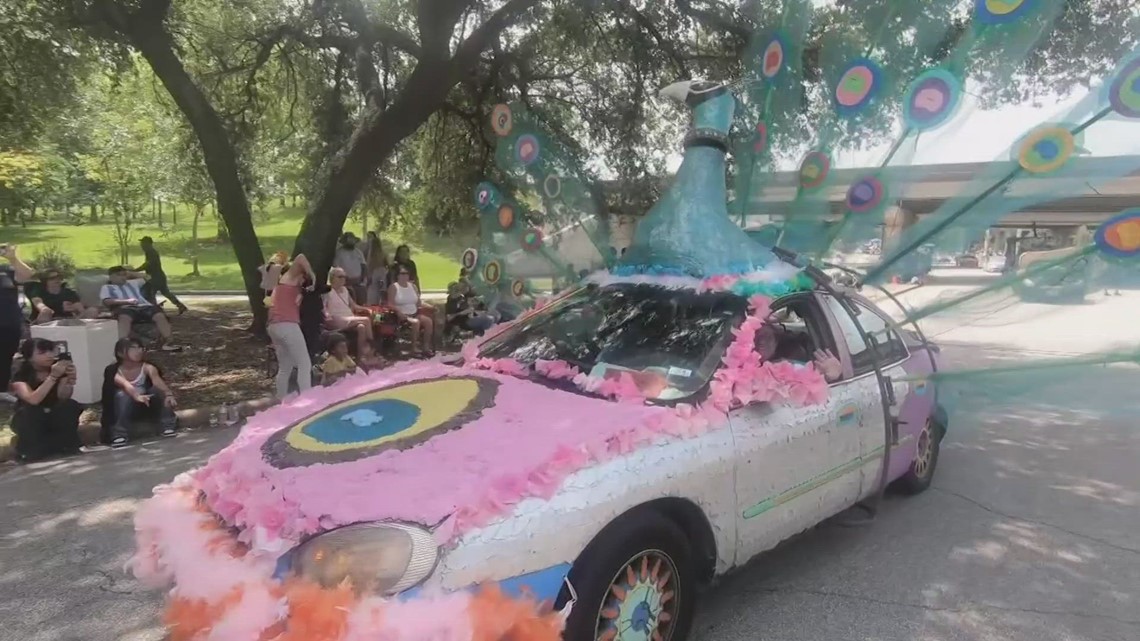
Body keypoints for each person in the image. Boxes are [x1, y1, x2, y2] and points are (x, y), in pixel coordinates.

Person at [9, 338, 83, 461]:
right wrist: (53, 377)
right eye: (42, 352)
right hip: (29, 416)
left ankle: (68, 446)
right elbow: (32, 399)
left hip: (53, 413)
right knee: (31, 412)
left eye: (51, 351)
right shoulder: (21, 374)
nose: (49, 355)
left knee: (70, 405)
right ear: (29, 357)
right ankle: (30, 452)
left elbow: (63, 397)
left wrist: (69, 380)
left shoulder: (57, 368)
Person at [105, 338, 178, 447]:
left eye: (140, 348)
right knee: (122, 395)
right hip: (126, 406)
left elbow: (157, 382)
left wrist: (168, 394)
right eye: (133, 348)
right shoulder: (113, 370)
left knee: (157, 391)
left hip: (148, 404)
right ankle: (119, 434)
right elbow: (125, 385)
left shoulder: (148, 367)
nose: (138, 351)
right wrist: (136, 396)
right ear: (120, 353)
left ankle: (168, 425)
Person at [268, 253, 316, 399]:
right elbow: (301, 257)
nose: (303, 280)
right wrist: (312, 275)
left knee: (285, 367)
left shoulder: (281, 286)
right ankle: (308, 402)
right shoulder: (289, 278)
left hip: (274, 327)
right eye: (303, 276)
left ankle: (280, 399)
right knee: (305, 364)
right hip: (287, 325)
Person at [99, 266, 181, 351]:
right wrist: (126, 301)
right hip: (125, 307)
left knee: (159, 315)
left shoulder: (133, 283)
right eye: (119, 275)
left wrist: (130, 273)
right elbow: (107, 301)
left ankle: (168, 343)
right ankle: (122, 344)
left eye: (124, 275)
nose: (123, 277)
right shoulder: (107, 287)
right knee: (124, 317)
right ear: (111, 277)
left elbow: (148, 277)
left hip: (144, 307)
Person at [755, 321, 842, 383]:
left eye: (768, 337)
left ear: (776, 342)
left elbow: (811, 378)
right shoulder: (742, 369)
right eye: (756, 337)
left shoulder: (786, 366)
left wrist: (829, 374)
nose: (761, 342)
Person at [0, 244, 33, 404]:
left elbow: (27, 274)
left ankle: (1, 389)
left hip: (9, 320)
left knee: (6, 355)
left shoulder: (6, 270)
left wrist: (13, 258)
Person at [323, 267, 377, 357]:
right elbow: (323, 307)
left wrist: (367, 309)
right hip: (335, 317)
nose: (343, 279)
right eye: (340, 277)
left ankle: (362, 356)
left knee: (361, 327)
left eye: (344, 277)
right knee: (366, 320)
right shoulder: (327, 291)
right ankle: (372, 350)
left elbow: (354, 306)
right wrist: (326, 316)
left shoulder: (345, 290)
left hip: (349, 317)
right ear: (332, 278)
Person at [387, 265, 435, 356]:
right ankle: (414, 348)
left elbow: (419, 303)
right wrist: (398, 311)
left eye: (407, 273)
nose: (405, 276)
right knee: (415, 322)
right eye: (402, 273)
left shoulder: (413, 286)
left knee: (428, 321)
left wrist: (431, 306)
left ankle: (426, 347)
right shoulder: (394, 287)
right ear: (397, 275)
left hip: (414, 313)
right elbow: (390, 304)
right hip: (401, 315)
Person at [137, 236, 188, 314]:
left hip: (155, 277)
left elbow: (147, 264)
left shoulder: (151, 252)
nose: (141, 245)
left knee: (150, 293)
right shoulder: (151, 252)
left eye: (143, 243)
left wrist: (135, 270)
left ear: (148, 244)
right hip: (159, 276)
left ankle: (154, 311)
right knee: (165, 293)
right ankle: (180, 306)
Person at [27, 269, 97, 323]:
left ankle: (78, 331)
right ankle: (44, 336)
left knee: (92, 310)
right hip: (47, 320)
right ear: (45, 281)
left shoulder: (68, 292)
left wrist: (73, 307)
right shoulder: (38, 290)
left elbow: (80, 308)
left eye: (59, 277)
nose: (57, 279)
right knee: (46, 312)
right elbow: (37, 302)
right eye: (52, 278)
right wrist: (44, 309)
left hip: (66, 321)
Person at [333, 232, 368, 302]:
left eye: (352, 240)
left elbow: (363, 265)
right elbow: (336, 268)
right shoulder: (339, 253)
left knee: (361, 302)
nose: (351, 242)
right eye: (349, 240)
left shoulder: (358, 252)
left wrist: (362, 278)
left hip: (358, 282)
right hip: (346, 283)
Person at [363, 232, 389, 305]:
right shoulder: (370, 253)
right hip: (379, 273)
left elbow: (369, 266)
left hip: (376, 274)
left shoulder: (380, 254)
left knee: (375, 292)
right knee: (377, 292)